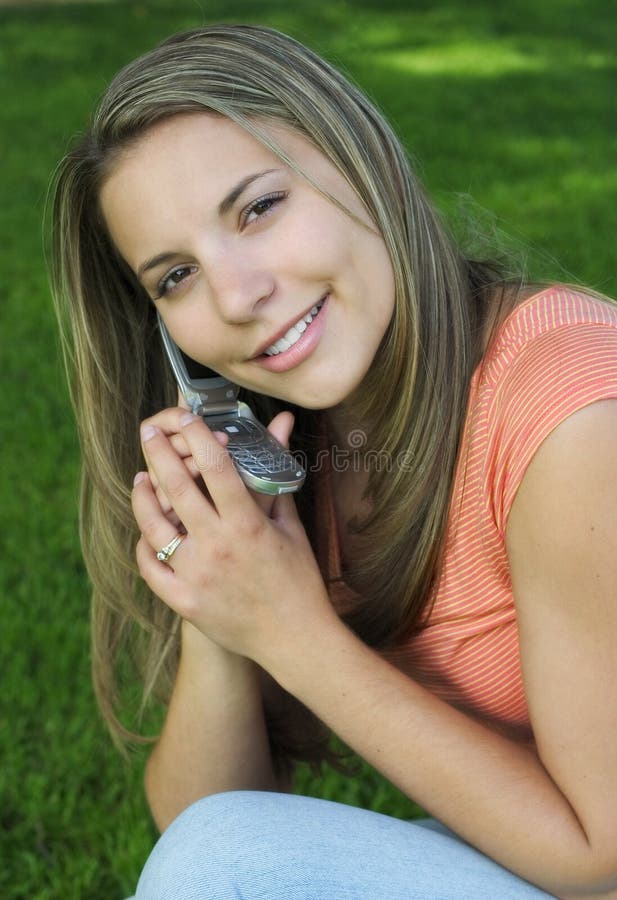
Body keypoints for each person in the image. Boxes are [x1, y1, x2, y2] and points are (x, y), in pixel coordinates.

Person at [49, 23, 617, 900]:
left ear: (369, 166)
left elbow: (602, 858)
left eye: (258, 208)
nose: (237, 296)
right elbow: (207, 815)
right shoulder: (293, 444)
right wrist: (223, 590)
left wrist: (289, 630)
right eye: (176, 277)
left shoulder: (574, 417)